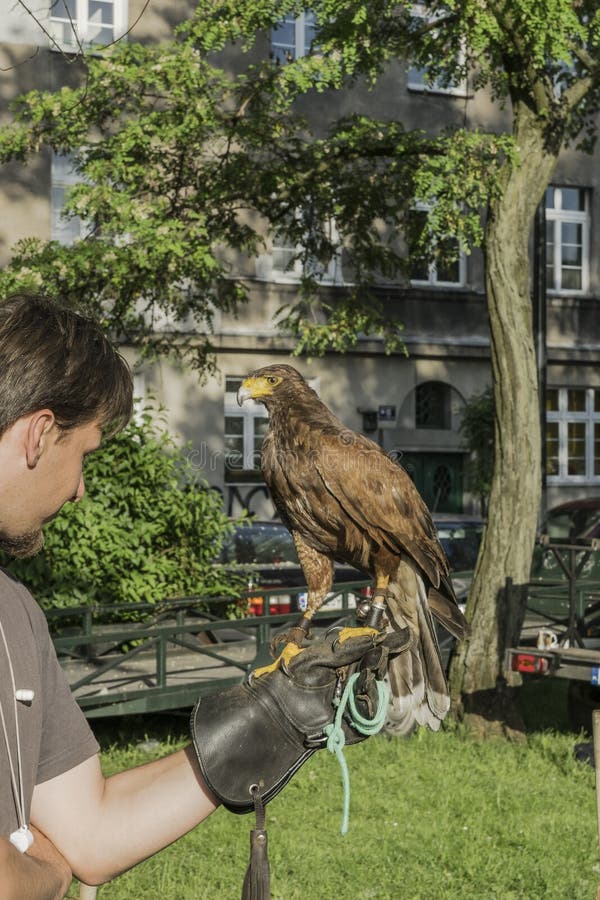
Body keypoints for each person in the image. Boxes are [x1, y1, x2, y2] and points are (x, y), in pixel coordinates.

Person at [0, 293, 403, 898]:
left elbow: (92, 831)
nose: (81, 489)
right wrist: (48, 874)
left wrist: (271, 719)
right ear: (38, 436)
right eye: (85, 455)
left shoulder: (17, 615)